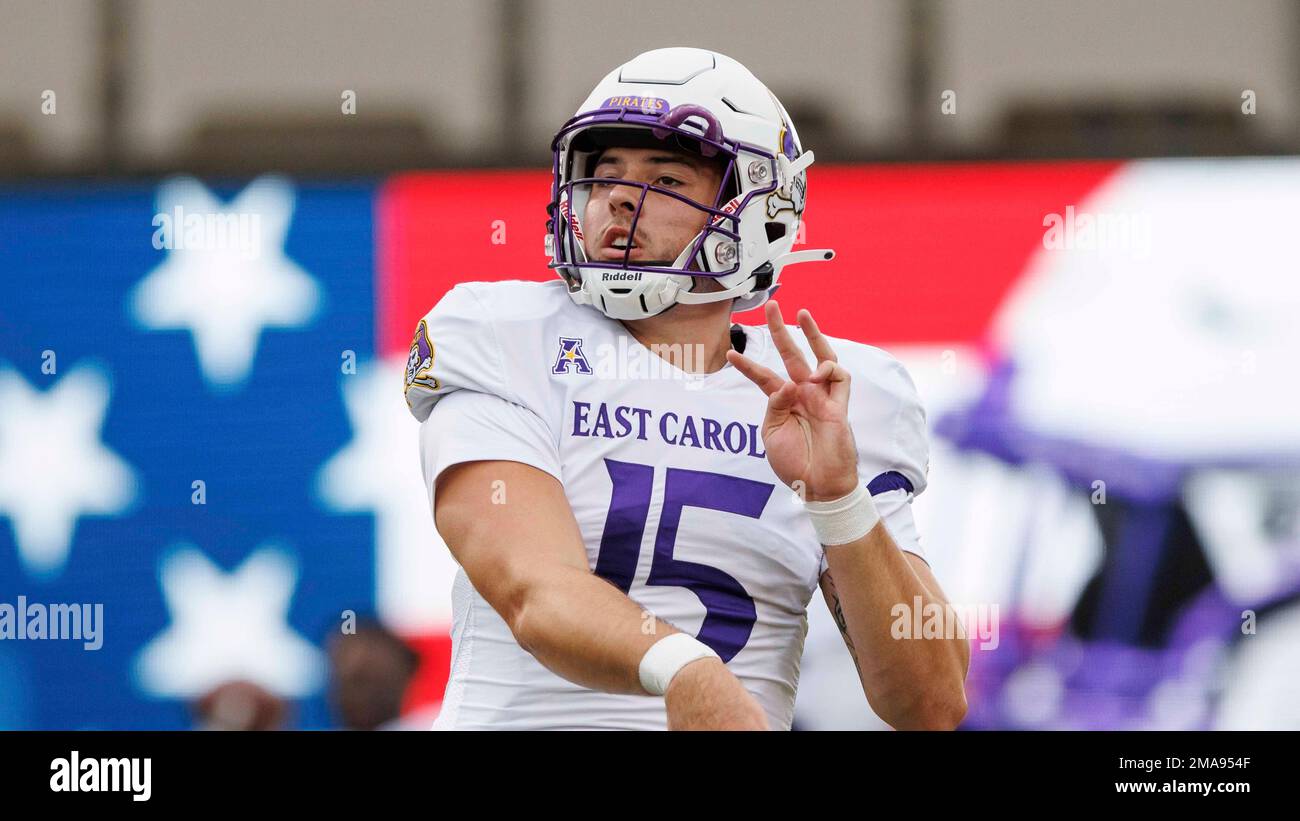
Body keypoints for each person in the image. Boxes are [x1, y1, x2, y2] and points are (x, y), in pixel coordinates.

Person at [406, 47, 968, 730]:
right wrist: (685, 666)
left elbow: (932, 702)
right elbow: (535, 591)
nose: (616, 194)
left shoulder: (828, 393)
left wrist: (840, 498)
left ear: (757, 210)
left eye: (665, 176)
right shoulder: (503, 336)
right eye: (603, 172)